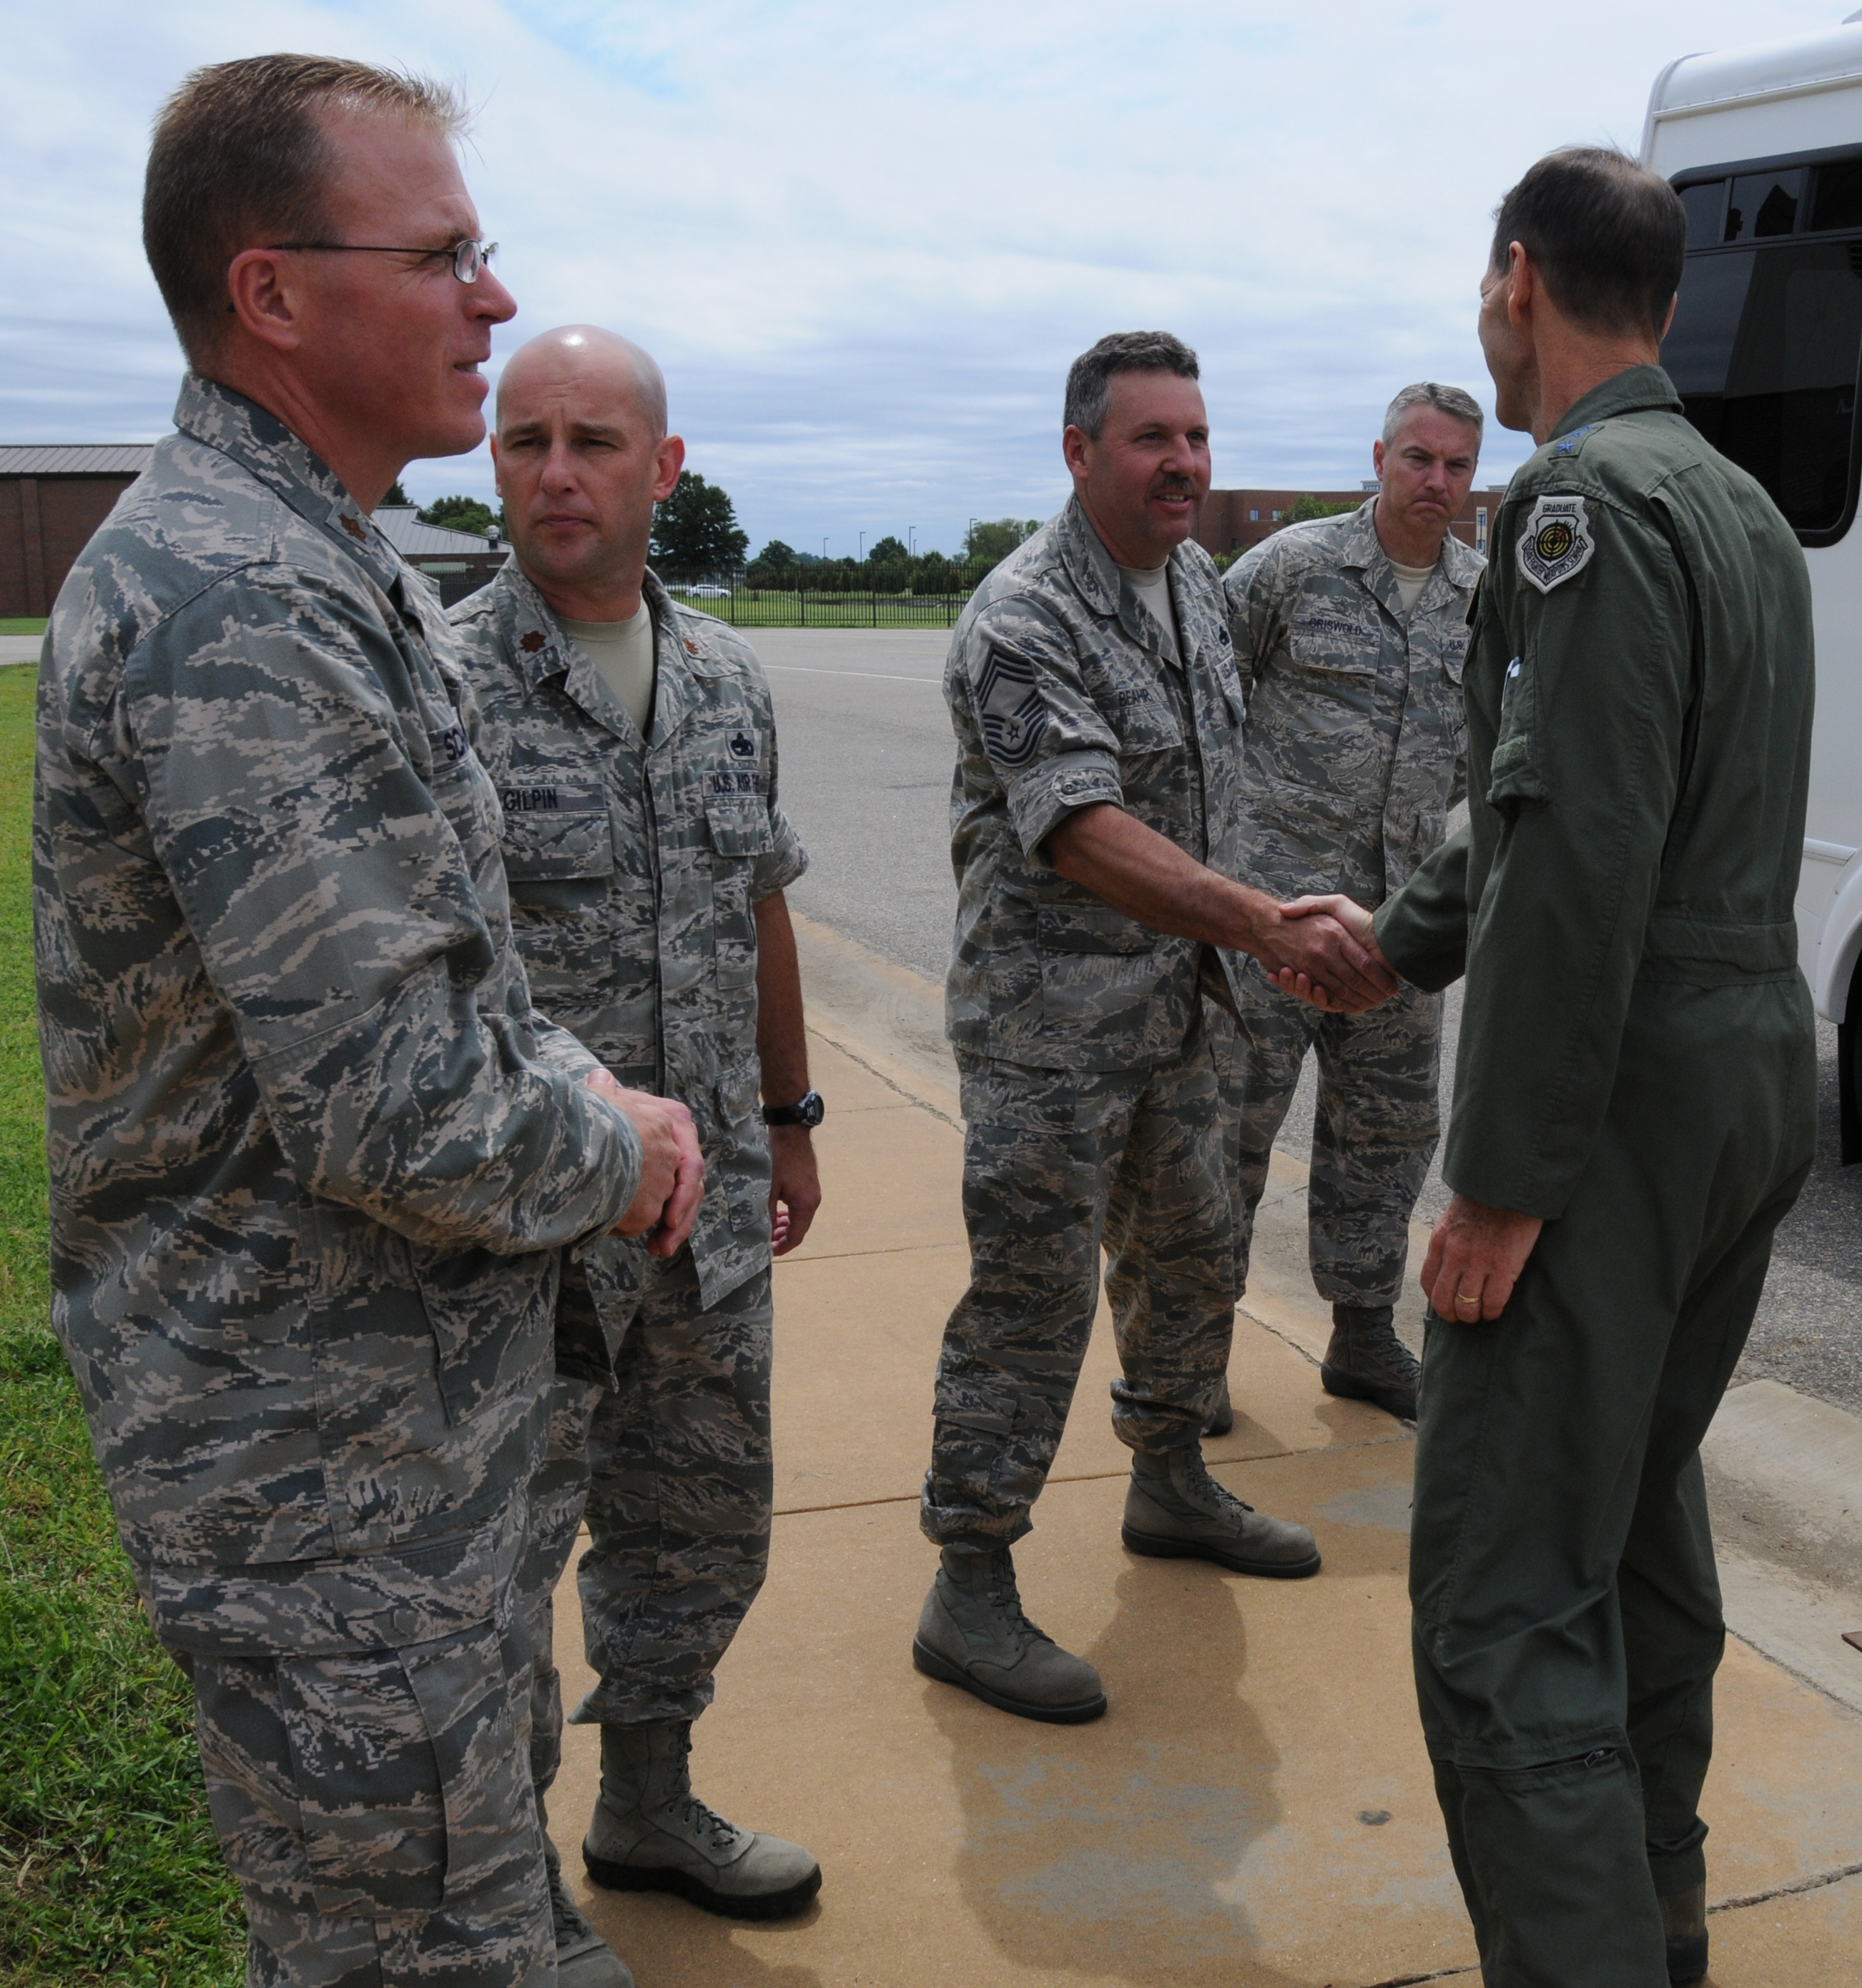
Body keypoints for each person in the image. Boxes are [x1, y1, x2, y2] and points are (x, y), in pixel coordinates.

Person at [34, 56, 702, 1988]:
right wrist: (629, 1144)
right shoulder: (232, 595)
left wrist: (575, 1073)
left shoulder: (333, 560)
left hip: (410, 1441)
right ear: (273, 296)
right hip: (319, 1470)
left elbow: (450, 965)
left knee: (472, 1891)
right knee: (411, 1944)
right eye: (442, 256)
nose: (491, 299)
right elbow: (397, 1109)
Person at [1287, 149, 1816, 1987]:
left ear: (1517, 278)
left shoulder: (1579, 504)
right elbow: (1559, 814)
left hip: (1621, 1094)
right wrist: (1398, 941)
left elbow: (1583, 845)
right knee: (1642, 1527)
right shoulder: (1738, 505)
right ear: (1663, 300)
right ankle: (1655, 1920)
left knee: (1506, 1594)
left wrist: (1502, 1171)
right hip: (1749, 1073)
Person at [912, 330, 1397, 1725]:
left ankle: (1171, 1475)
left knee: (1196, 1245)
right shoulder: (1021, 617)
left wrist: (1258, 936)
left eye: (1196, 435)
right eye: (1151, 439)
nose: (1184, 462)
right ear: (1080, 453)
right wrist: (1262, 922)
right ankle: (971, 1578)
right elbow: (1077, 829)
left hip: (1187, 1010)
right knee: (1032, 1294)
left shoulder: (1193, 582)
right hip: (1049, 1027)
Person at [450, 326, 823, 1959]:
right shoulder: (442, 685)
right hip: (529, 1237)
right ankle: (512, 1881)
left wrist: (793, 1117)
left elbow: (761, 909)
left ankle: (650, 1801)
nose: (553, 471)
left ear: (661, 468)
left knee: (701, 1520)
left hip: (713, 1213)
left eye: (592, 439)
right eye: (523, 438)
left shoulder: (729, 675)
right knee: (498, 1575)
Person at [1219, 383, 1485, 1421]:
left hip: (1400, 928)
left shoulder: (1488, 595)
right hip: (1268, 921)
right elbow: (1207, 695)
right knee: (1227, 1135)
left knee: (1386, 1137)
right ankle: (1193, 1354)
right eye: (1419, 459)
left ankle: (1363, 1340)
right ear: (1377, 458)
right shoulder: (1290, 567)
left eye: (1457, 466)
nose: (1438, 483)